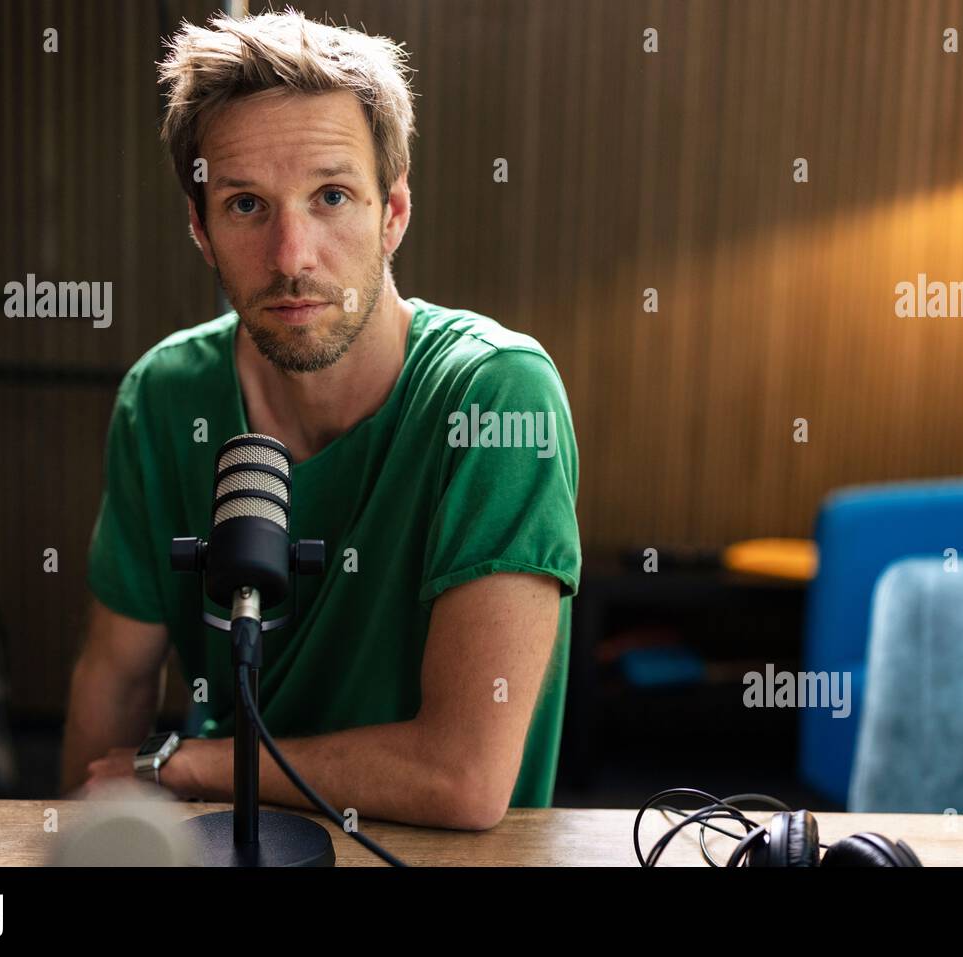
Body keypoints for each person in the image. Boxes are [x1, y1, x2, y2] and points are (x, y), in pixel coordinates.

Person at [59, 8, 581, 830]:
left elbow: (463, 776)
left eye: (332, 196)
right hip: (230, 838)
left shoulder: (495, 398)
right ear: (200, 228)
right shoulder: (163, 396)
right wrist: (79, 842)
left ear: (394, 212)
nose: (292, 255)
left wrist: (186, 764)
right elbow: (116, 679)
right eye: (244, 205)